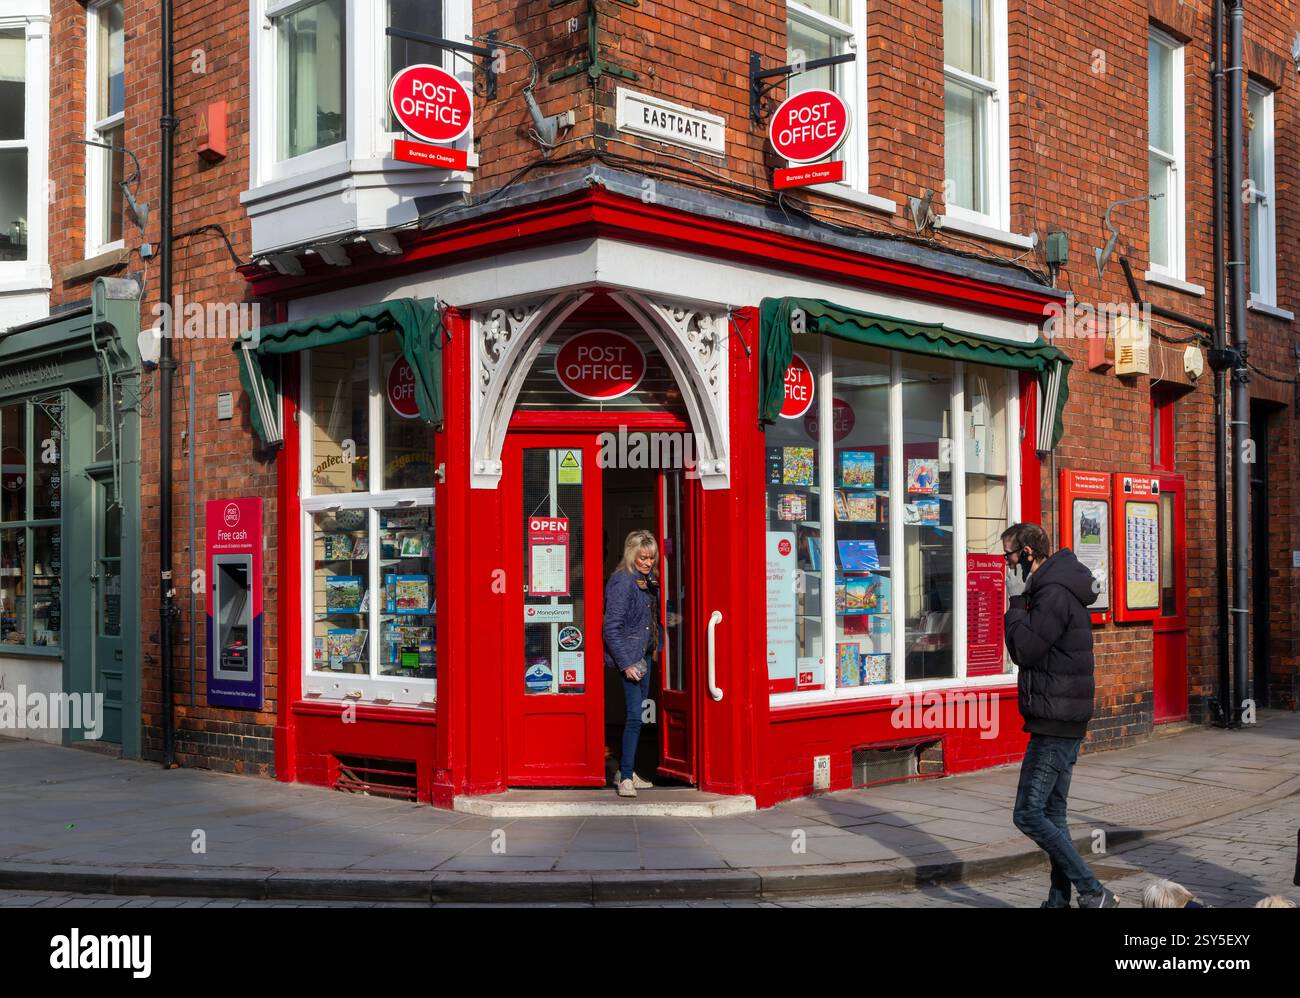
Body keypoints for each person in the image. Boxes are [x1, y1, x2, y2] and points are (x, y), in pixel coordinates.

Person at [1002, 522, 1118, 908]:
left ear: (1028, 555)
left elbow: (1024, 649)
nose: (1006, 565)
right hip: (1062, 716)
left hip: (1056, 720)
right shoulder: (1057, 588)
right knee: (1054, 812)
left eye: (1009, 556)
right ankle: (1057, 902)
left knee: (1027, 814)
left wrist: (1016, 604)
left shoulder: (1051, 594)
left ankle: (1093, 891)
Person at [603, 529, 662, 798]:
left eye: (651, 558)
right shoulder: (623, 581)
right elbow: (611, 628)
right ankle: (625, 777)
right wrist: (627, 663)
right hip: (631, 658)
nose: (648, 563)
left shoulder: (646, 580)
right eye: (642, 558)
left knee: (636, 718)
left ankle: (627, 770)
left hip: (644, 656)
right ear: (631, 555)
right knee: (634, 718)